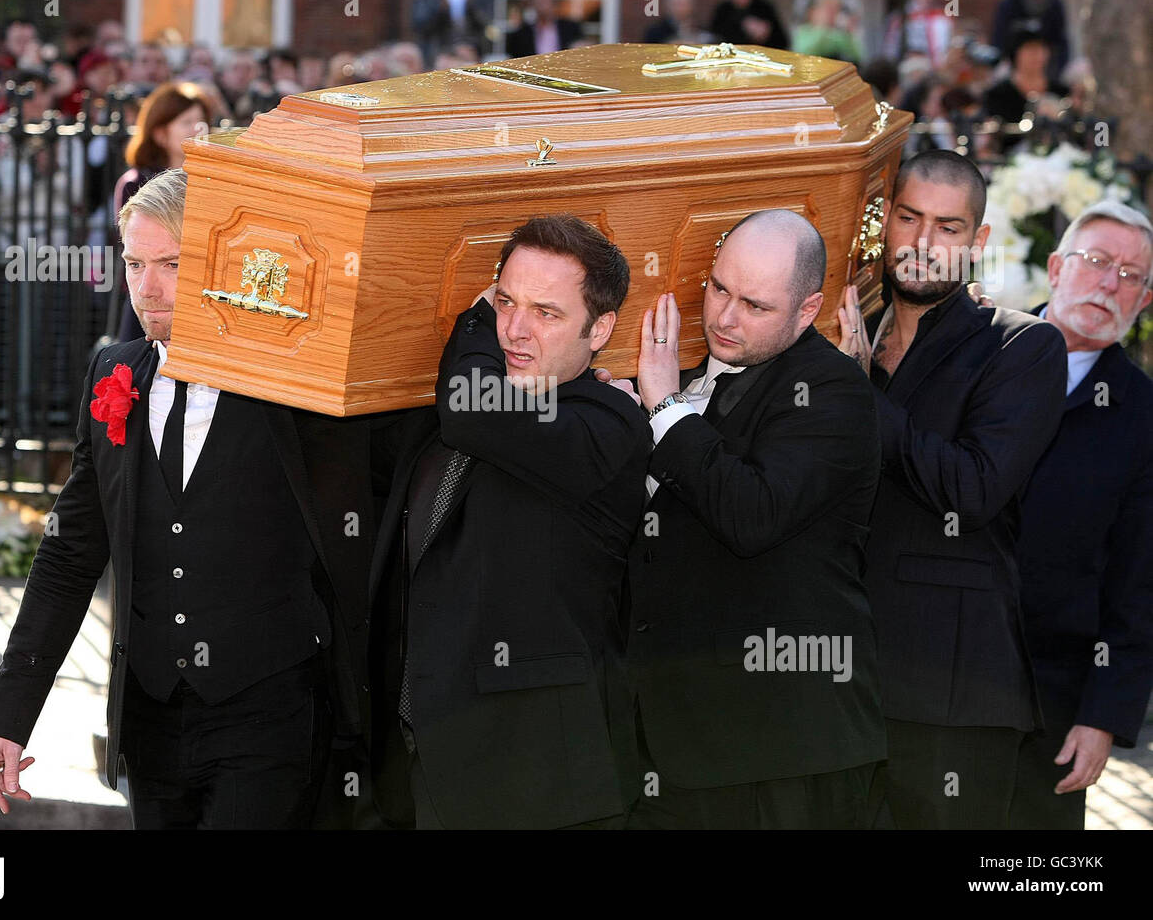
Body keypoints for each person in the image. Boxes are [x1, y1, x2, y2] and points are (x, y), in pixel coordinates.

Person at [0, 170, 367, 829]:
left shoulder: (287, 381)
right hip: (150, 721)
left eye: (173, 264)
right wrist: (9, 715)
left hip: (267, 716)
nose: (147, 287)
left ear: (220, 264)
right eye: (134, 263)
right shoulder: (113, 372)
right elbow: (69, 555)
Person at [370, 215, 651, 829]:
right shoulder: (455, 409)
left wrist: (472, 317)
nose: (515, 330)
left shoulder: (608, 423)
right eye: (504, 302)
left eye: (546, 313)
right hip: (430, 766)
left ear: (600, 328)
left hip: (541, 782)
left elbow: (474, 411)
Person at [615, 209, 884, 829]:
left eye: (755, 306)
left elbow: (750, 515)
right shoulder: (674, 372)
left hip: (781, 754)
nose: (725, 318)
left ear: (808, 308)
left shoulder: (834, 390)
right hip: (667, 744)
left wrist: (666, 411)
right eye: (717, 289)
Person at [835, 149, 1068, 829]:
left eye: (948, 227)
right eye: (908, 218)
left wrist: (859, 392)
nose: (923, 243)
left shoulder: (1020, 347)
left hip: (954, 696)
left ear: (978, 242)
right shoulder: (842, 337)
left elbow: (972, 489)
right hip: (835, 686)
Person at [1009, 201, 1153, 829]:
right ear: (1055, 267)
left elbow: (1139, 583)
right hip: (932, 677)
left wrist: (1103, 716)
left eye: (1131, 275)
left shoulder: (1144, 417)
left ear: (1145, 301)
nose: (1109, 284)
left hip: (1054, 700)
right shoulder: (977, 353)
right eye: (1096, 261)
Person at [112, 81, 217, 343]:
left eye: (201, 121)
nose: (198, 129)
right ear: (160, 133)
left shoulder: (215, 181)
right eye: (187, 122)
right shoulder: (136, 182)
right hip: (155, 301)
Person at [983, 31, 1067, 154]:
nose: (1037, 55)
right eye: (1030, 49)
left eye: (1041, 49)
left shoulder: (1061, 91)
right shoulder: (998, 94)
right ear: (1015, 53)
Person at [993, 0, 1070, 80]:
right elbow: (998, 38)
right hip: (1014, 66)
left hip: (1046, 67)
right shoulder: (1010, 3)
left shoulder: (1056, 4)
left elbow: (1062, 42)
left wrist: (1060, 69)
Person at [505, 0, 582, 58]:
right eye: (539, 0)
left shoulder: (570, 28)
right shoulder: (522, 34)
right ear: (532, 4)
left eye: (545, 0)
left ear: (553, 2)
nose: (542, 4)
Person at [644, 0, 710, 46]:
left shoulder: (700, 29)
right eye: (677, 4)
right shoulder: (655, 32)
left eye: (685, 3)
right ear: (667, 5)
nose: (681, 8)